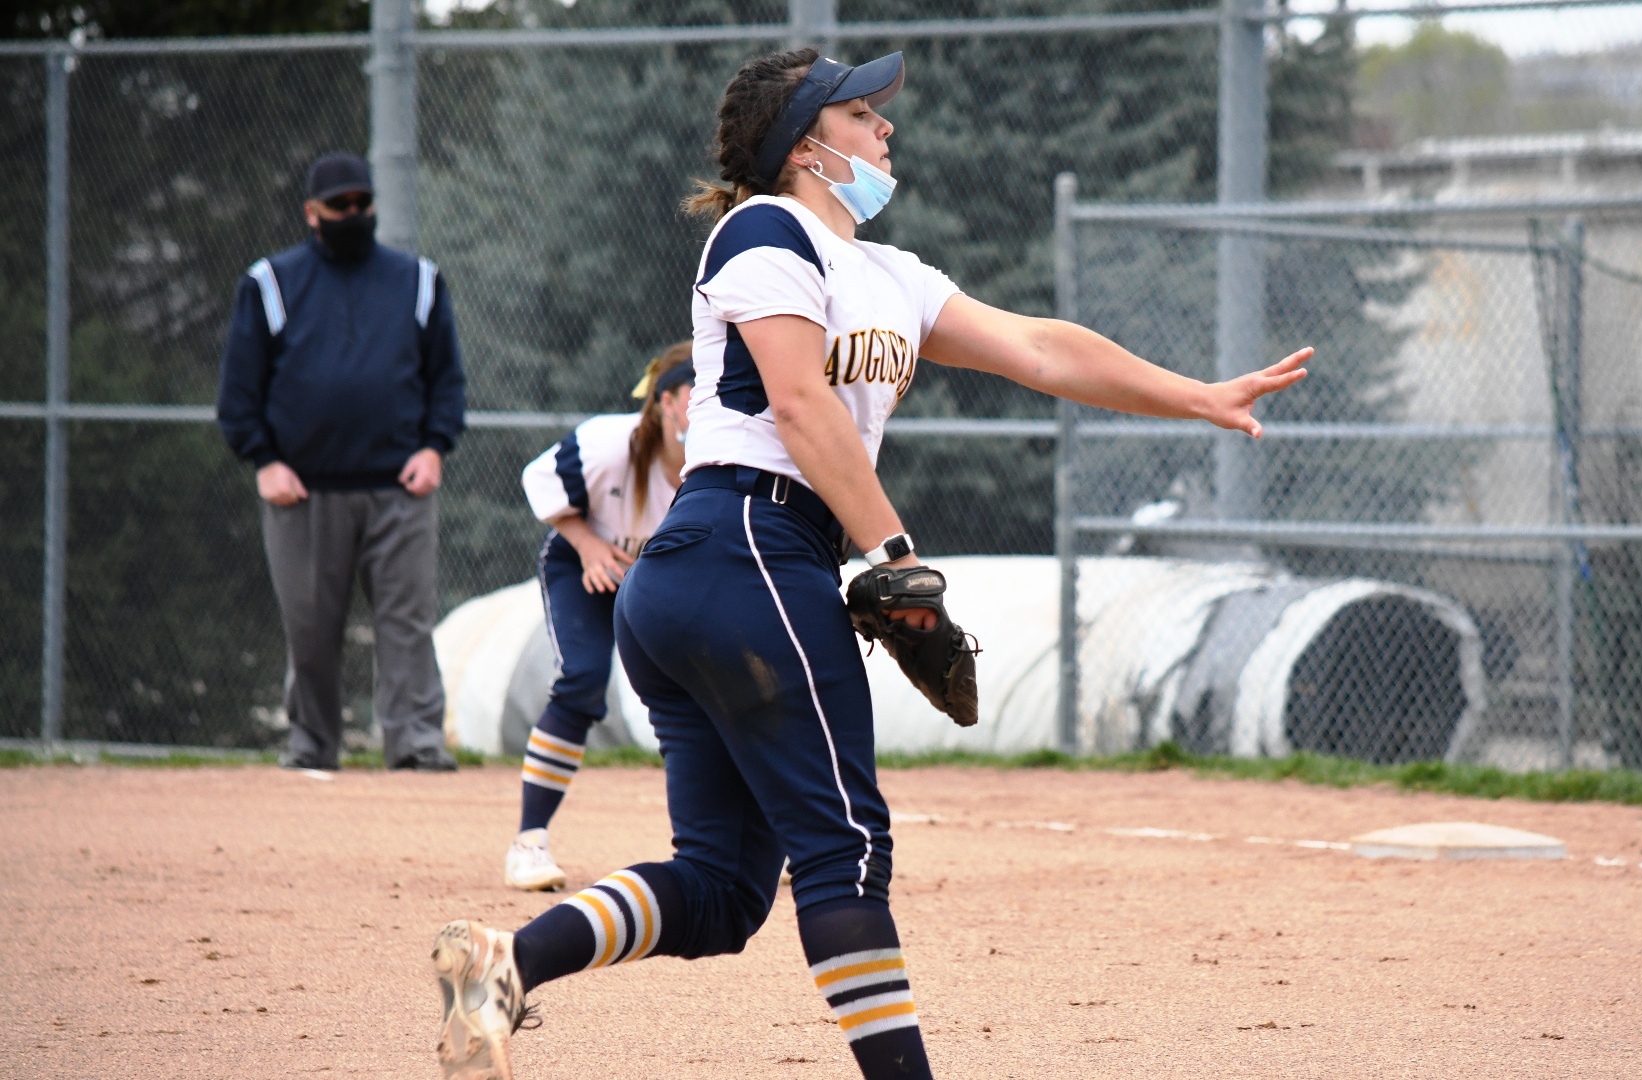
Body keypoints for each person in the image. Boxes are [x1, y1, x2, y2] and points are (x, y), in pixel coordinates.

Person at [429, 49, 1309, 1080]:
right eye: (861, 113)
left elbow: (1039, 348)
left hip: (727, 570)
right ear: (805, 146)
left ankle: (505, 964)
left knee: (721, 892)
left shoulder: (888, 276)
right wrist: (892, 548)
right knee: (846, 854)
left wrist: (1196, 395)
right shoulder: (764, 229)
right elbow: (798, 406)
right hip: (745, 544)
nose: (885, 128)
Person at [217, 152, 467, 773]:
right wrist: (264, 461)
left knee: (407, 624)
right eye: (340, 206)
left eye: (363, 203)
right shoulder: (271, 284)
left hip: (399, 486)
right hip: (301, 491)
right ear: (311, 213)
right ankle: (312, 745)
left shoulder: (418, 281)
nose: (354, 214)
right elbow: (239, 392)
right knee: (311, 629)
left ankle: (414, 741)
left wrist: (435, 447)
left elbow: (448, 381)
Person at [505, 345, 696, 892]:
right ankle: (528, 842)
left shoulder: (729, 452)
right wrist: (587, 544)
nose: (710, 403)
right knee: (582, 679)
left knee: (719, 693)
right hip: (591, 570)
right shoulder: (609, 443)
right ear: (665, 402)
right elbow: (538, 479)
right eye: (696, 392)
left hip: (661, 581)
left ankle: (751, 840)